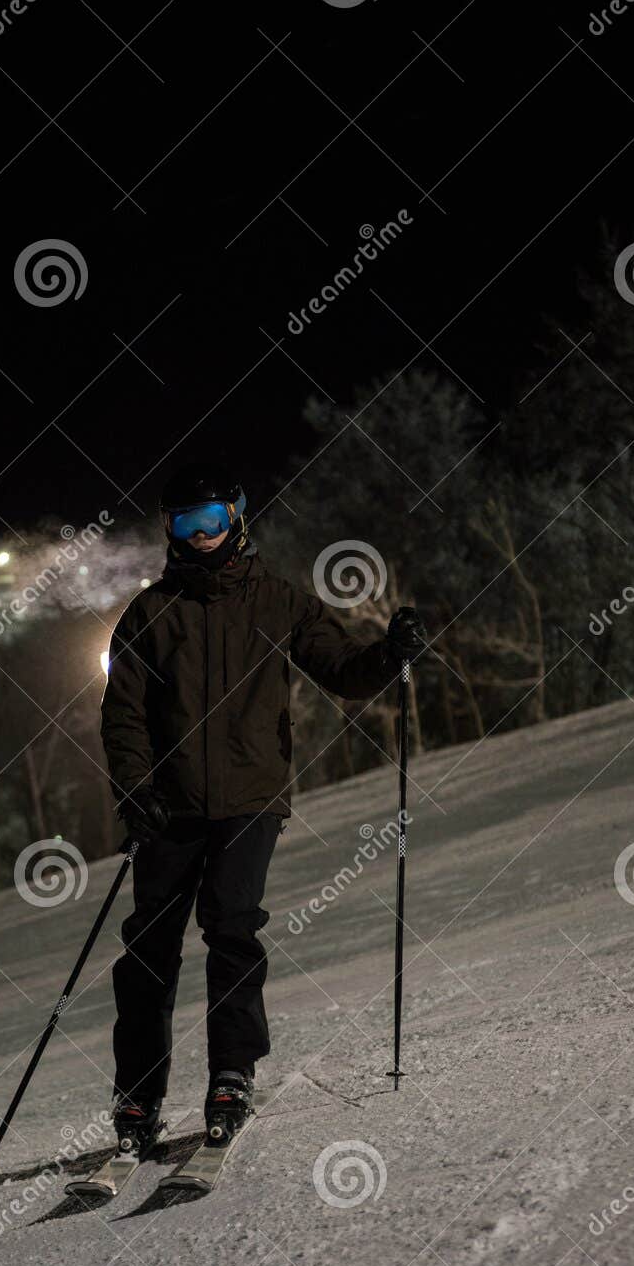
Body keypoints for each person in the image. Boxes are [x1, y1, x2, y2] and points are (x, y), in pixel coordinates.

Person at [100, 467, 426, 1156]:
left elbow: (341, 667)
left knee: (232, 929)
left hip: (251, 799)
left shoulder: (278, 602)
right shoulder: (150, 615)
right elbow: (122, 714)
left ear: (237, 519)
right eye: (185, 524)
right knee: (149, 950)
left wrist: (388, 657)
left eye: (211, 520)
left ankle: (231, 1073)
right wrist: (136, 789)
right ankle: (139, 1095)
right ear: (169, 531)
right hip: (170, 807)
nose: (201, 536)